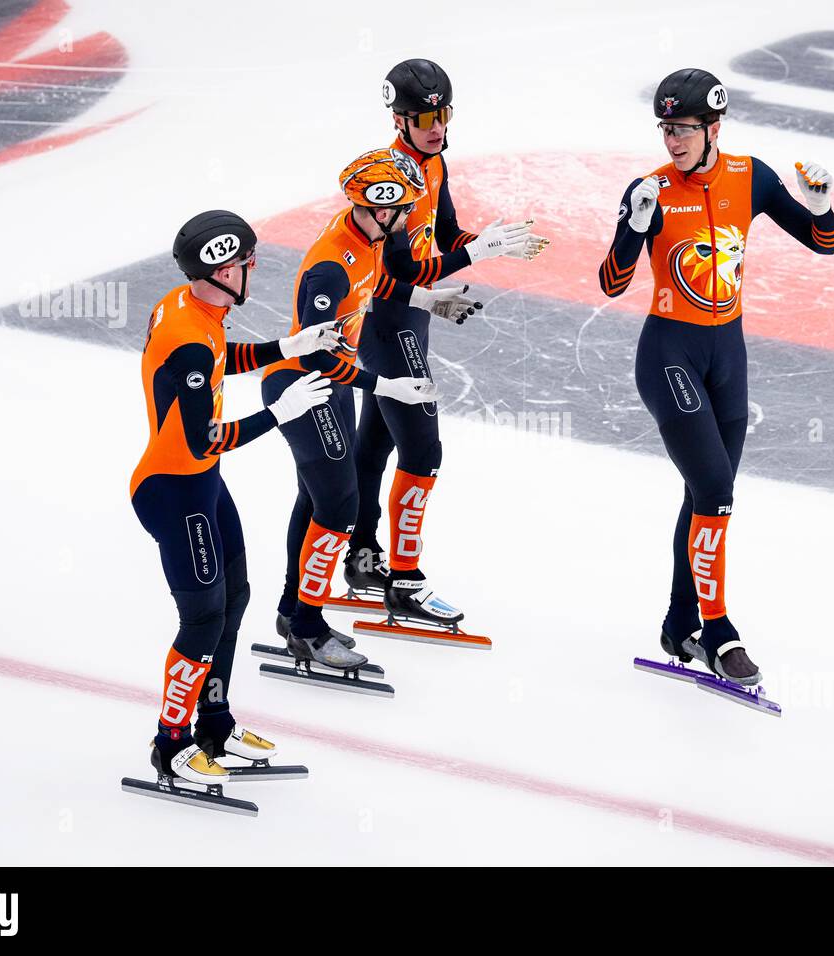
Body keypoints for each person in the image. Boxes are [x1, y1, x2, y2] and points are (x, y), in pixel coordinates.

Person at [598, 68, 834, 685]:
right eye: (664, 128)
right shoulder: (650, 188)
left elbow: (822, 243)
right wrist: (634, 228)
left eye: (681, 129)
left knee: (706, 495)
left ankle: (680, 624)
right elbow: (610, 282)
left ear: (713, 128)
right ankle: (718, 629)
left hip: (728, 357)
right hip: (669, 354)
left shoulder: (749, 176)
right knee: (716, 491)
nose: (671, 140)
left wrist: (822, 207)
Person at [131, 209, 343, 786]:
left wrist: (288, 345)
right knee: (202, 617)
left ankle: (214, 725)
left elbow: (225, 356)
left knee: (237, 596)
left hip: (198, 481)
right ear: (224, 269)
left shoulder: (195, 307)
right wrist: (280, 413)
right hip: (177, 488)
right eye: (248, 263)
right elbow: (205, 438)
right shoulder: (189, 338)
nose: (254, 271)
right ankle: (171, 744)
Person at [347, 58, 548, 629]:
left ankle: (362, 558)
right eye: (424, 117)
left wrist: (485, 240)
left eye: (444, 113)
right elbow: (404, 269)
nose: (437, 125)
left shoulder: (432, 163)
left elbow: (447, 235)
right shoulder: (390, 180)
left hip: (406, 319)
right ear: (399, 118)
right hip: (390, 321)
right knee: (424, 450)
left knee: (376, 441)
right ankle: (405, 582)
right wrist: (475, 256)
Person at [262, 147, 480, 669]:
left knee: (317, 501)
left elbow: (374, 282)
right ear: (381, 209)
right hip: (306, 386)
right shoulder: (331, 268)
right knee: (336, 506)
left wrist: (428, 301)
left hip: (324, 385)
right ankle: (307, 627)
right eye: (404, 210)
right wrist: (385, 387)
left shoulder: (362, 235)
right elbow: (315, 351)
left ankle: (294, 613)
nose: (408, 221)